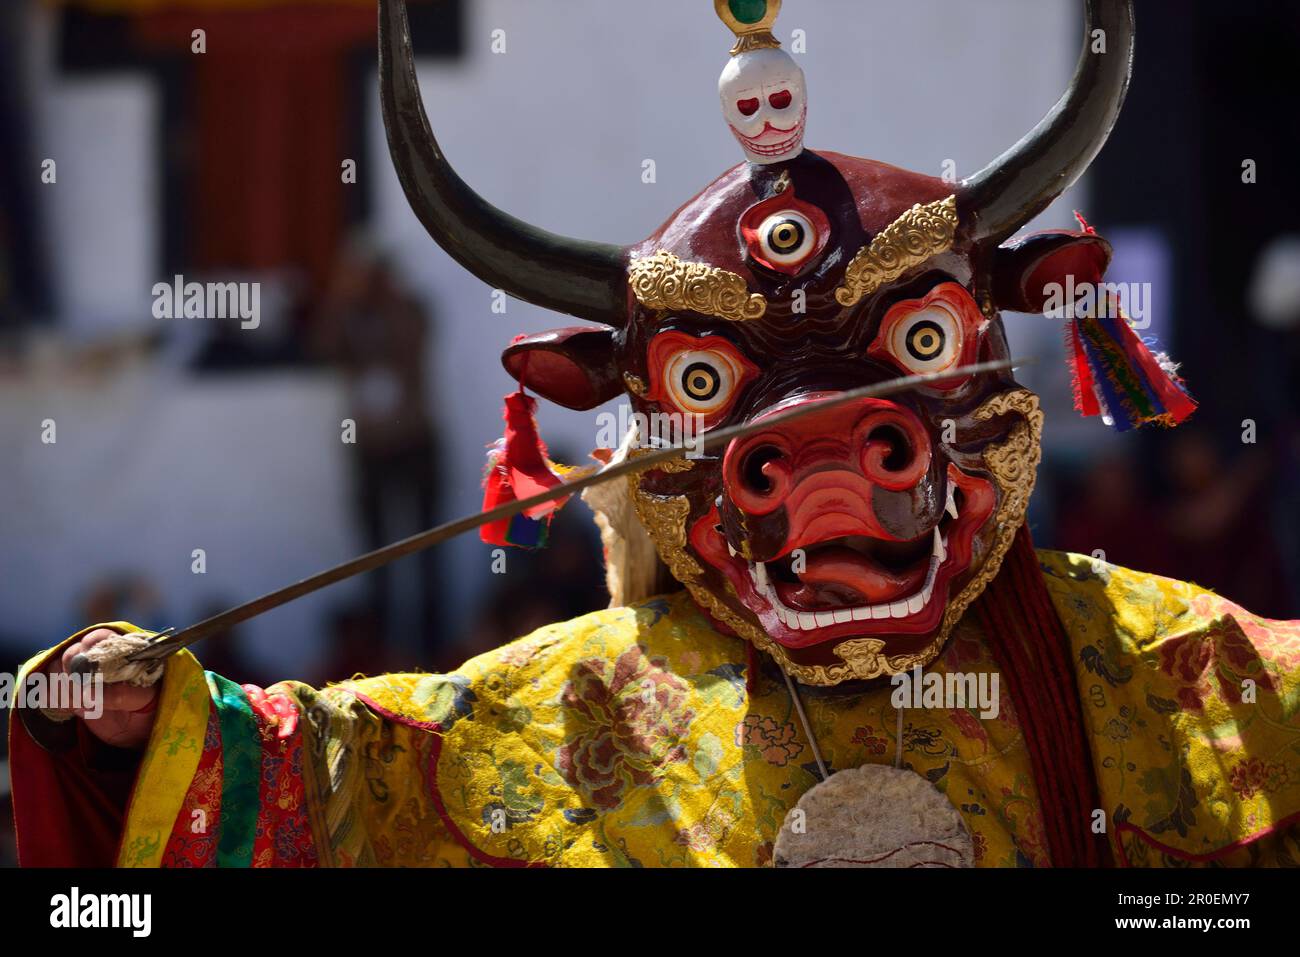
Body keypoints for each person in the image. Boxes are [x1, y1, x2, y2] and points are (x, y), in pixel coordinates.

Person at [9, 0, 1300, 868]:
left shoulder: (1155, 668)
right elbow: (340, 775)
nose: (837, 441)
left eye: (915, 345)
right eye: (710, 383)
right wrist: (126, 709)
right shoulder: (585, 709)